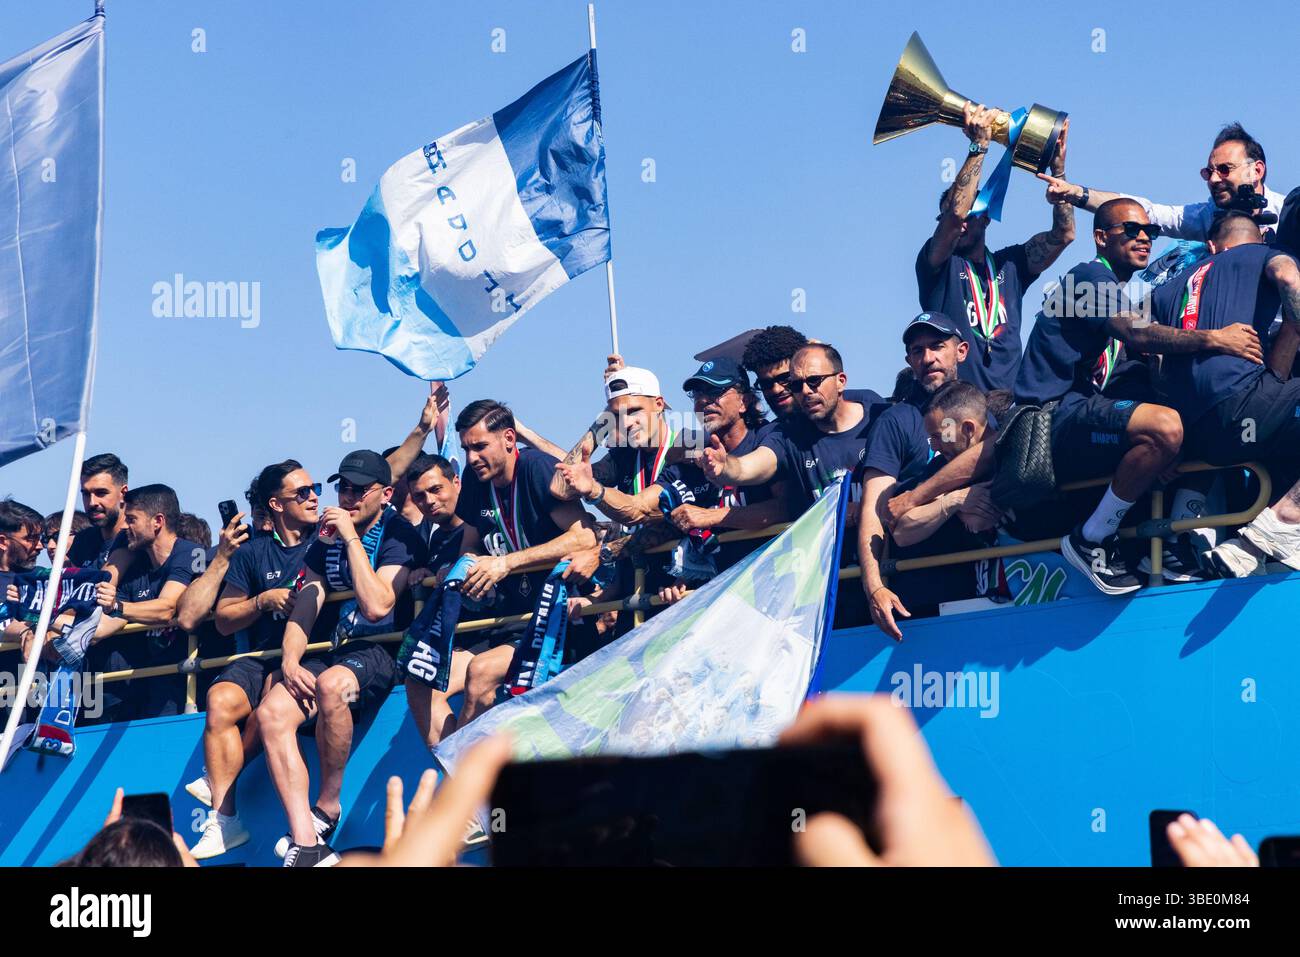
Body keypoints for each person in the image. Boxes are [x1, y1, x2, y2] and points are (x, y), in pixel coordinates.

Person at [256, 450, 426, 866]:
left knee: (333, 686)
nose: (347, 497)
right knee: (271, 712)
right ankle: (307, 843)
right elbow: (307, 602)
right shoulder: (323, 539)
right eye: (342, 487)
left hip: (385, 649)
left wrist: (351, 538)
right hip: (340, 648)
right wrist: (291, 661)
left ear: (385, 494)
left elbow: (377, 606)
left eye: (358, 490)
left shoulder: (400, 534)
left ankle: (327, 808)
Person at [1138, 213, 1300, 577]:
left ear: (1211, 246)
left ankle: (1246, 549)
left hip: (1200, 441)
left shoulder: (1168, 287)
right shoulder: (1266, 254)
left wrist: (1176, 441)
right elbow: (1290, 279)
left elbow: (1153, 360)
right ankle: (1281, 522)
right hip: (1243, 413)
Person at [183, 461, 322, 860]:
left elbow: (382, 481)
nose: (314, 497)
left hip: (316, 655)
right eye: (302, 493)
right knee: (220, 699)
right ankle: (226, 822)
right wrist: (262, 601)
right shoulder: (252, 553)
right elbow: (224, 620)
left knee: (270, 701)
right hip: (260, 656)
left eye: (314, 489)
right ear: (276, 505)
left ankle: (218, 781)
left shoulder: (326, 539)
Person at [452, 400, 597, 723]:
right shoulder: (475, 480)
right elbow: (470, 545)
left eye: (479, 447)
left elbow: (584, 537)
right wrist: (463, 570)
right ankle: (452, 761)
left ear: (508, 439)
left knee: (480, 673)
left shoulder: (535, 467)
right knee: (421, 678)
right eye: (465, 449)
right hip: (505, 617)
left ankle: (465, 773)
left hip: (557, 614)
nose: (472, 458)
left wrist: (505, 563)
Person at [916, 104, 1074, 393]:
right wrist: (979, 146)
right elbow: (954, 217)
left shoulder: (1010, 265)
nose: (962, 221)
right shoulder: (938, 266)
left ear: (986, 217)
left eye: (970, 213)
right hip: (956, 406)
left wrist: (1058, 171)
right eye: (951, 216)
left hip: (1007, 407)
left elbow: (1064, 235)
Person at [858, 315, 969, 639]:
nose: (928, 358)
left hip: (987, 574)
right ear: (909, 360)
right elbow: (873, 510)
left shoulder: (981, 407)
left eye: (937, 346)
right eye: (917, 351)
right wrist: (875, 587)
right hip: (921, 590)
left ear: (961, 351)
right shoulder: (897, 420)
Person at [701, 344, 889, 519]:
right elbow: (749, 466)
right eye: (796, 385)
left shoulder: (877, 413)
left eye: (814, 381)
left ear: (840, 381)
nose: (805, 391)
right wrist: (725, 467)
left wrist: (867, 509)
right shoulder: (785, 435)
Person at [1040, 122, 1286, 242]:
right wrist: (1075, 193)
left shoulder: (1289, 213)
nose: (1213, 179)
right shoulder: (1204, 217)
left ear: (1257, 170)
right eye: (1207, 172)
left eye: (1224, 170)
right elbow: (1144, 211)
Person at [91, 485, 203, 722]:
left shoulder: (191, 552)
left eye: (131, 519)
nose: (125, 527)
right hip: (146, 678)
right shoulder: (136, 565)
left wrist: (119, 607)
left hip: (182, 678)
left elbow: (166, 608)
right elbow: (108, 619)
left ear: (158, 521)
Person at [400, 452, 470, 749]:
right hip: (459, 640)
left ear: (456, 482)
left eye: (435, 489)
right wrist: (425, 574)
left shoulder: (481, 523)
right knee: (415, 683)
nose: (428, 500)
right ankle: (460, 776)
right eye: (419, 496)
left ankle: (465, 782)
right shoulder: (434, 538)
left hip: (500, 632)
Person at [740, 325, 880, 429]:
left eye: (784, 379)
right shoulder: (774, 437)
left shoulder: (866, 404)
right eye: (766, 384)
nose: (776, 390)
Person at [66, 453, 128, 571]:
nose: (92, 502)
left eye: (101, 493)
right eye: (86, 494)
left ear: (123, 493)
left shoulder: (138, 539)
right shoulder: (83, 541)